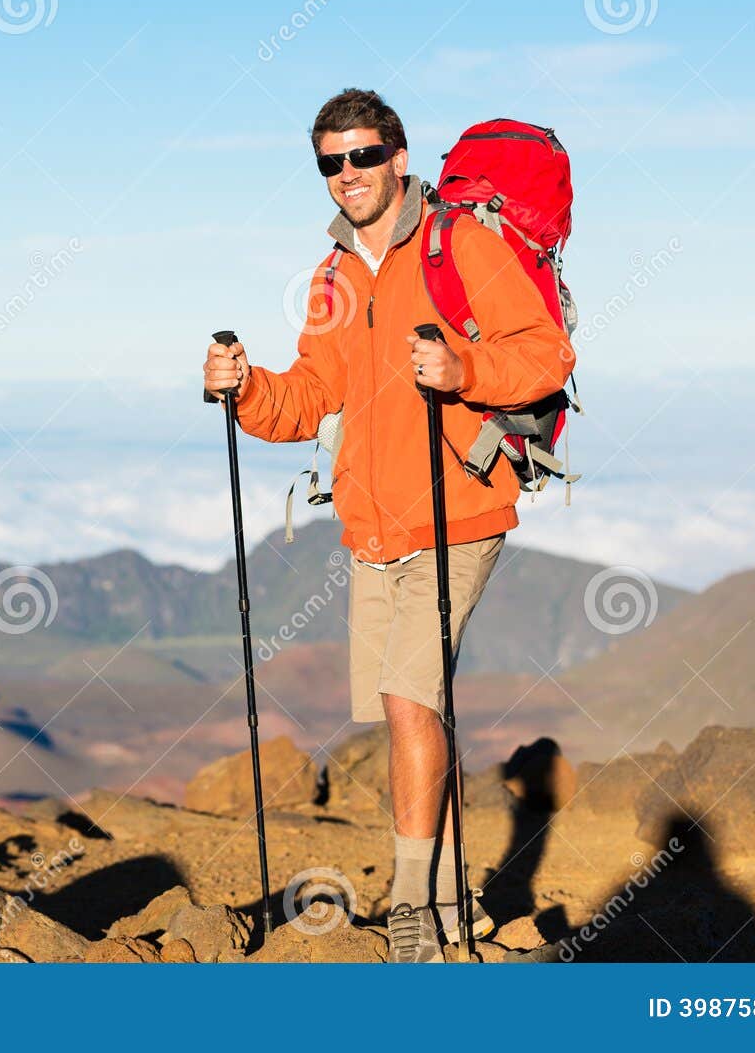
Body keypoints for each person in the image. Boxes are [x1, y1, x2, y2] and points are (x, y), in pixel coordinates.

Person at [201, 88, 574, 963]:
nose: (348, 176)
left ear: (400, 159)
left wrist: (462, 364)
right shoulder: (333, 277)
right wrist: (243, 384)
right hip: (373, 526)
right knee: (404, 711)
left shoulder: (461, 243)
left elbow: (546, 352)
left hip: (459, 513)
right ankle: (449, 900)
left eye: (364, 156)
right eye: (332, 162)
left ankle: (413, 912)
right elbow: (308, 398)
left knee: (412, 701)